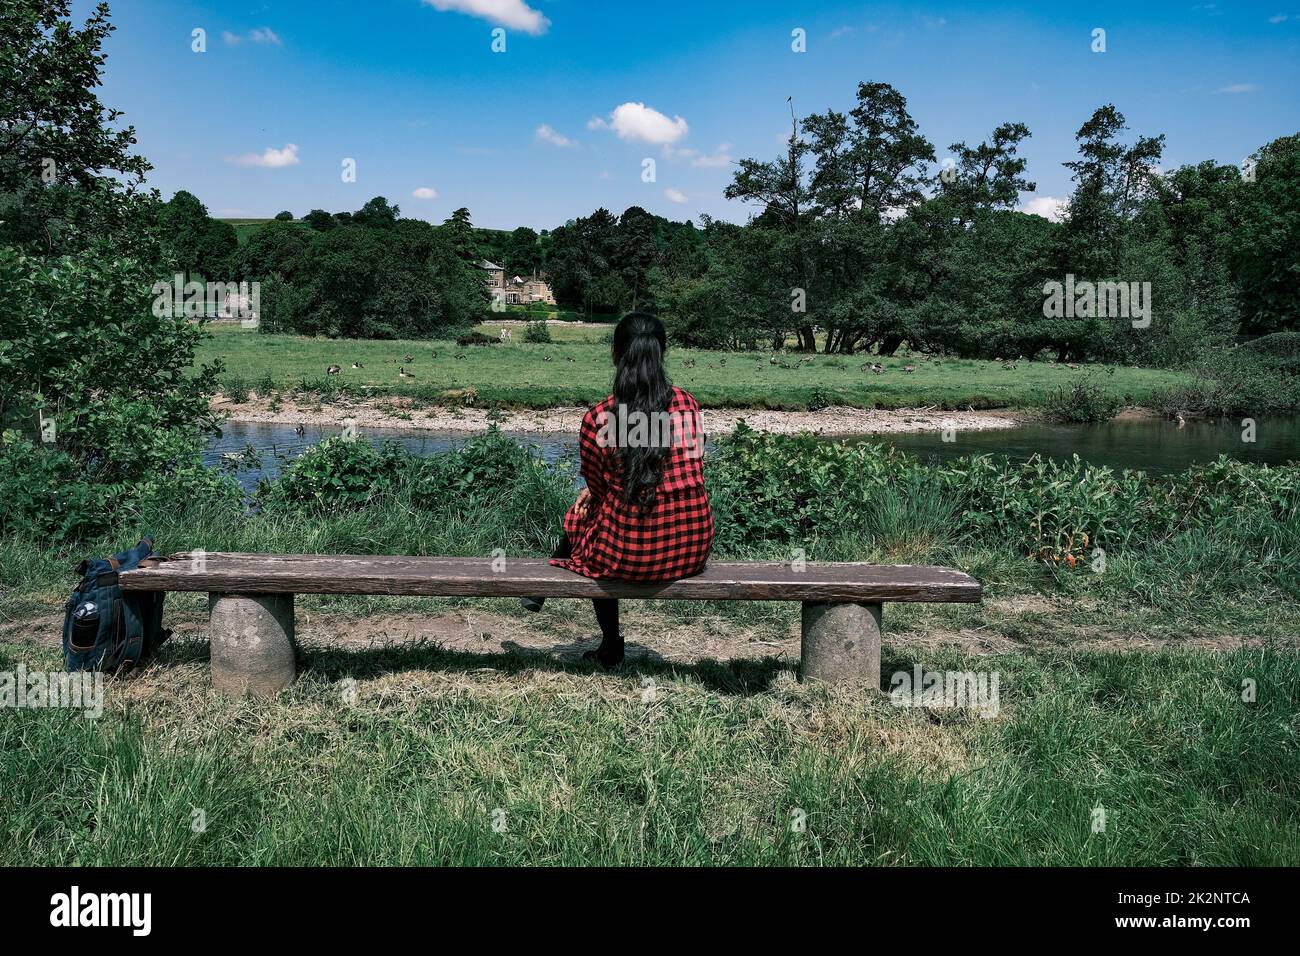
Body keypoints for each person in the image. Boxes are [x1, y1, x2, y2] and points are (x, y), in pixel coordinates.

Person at [522, 312, 713, 668]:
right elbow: (693, 465)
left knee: (583, 519)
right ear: (662, 353)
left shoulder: (600, 417)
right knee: (602, 515)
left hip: (627, 556)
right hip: (690, 549)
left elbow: (596, 485)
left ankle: (610, 642)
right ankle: (540, 594)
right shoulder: (688, 406)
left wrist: (595, 493)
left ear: (615, 354)